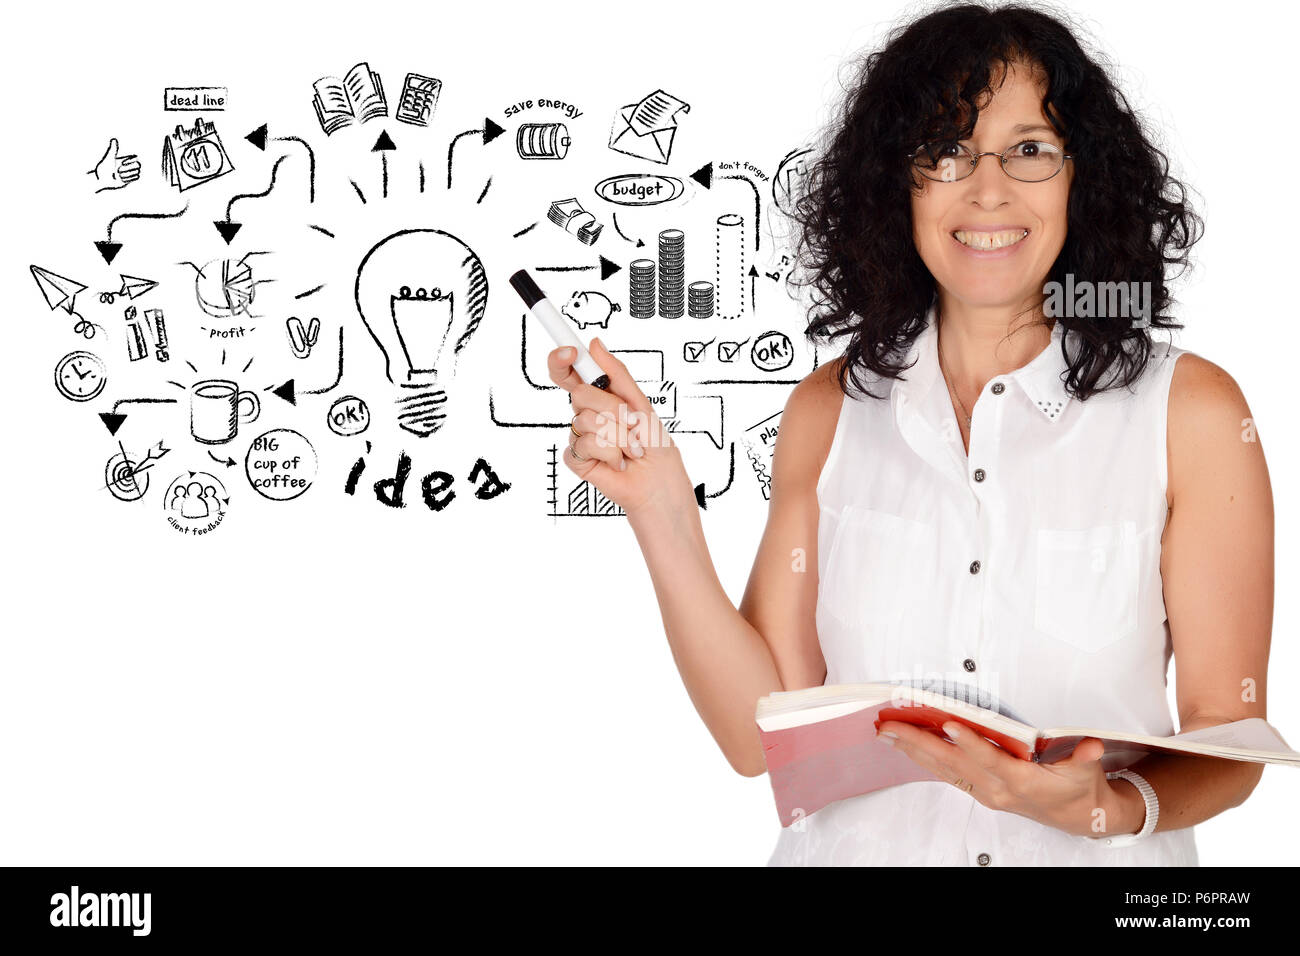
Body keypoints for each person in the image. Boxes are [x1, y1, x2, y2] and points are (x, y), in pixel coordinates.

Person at [547, 1, 1273, 865]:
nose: (988, 189)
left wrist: (1103, 807)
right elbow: (757, 739)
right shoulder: (828, 410)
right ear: (900, 183)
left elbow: (1231, 740)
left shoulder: (1189, 413)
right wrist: (662, 507)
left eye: (1029, 149)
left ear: (1084, 175)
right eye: (947, 151)